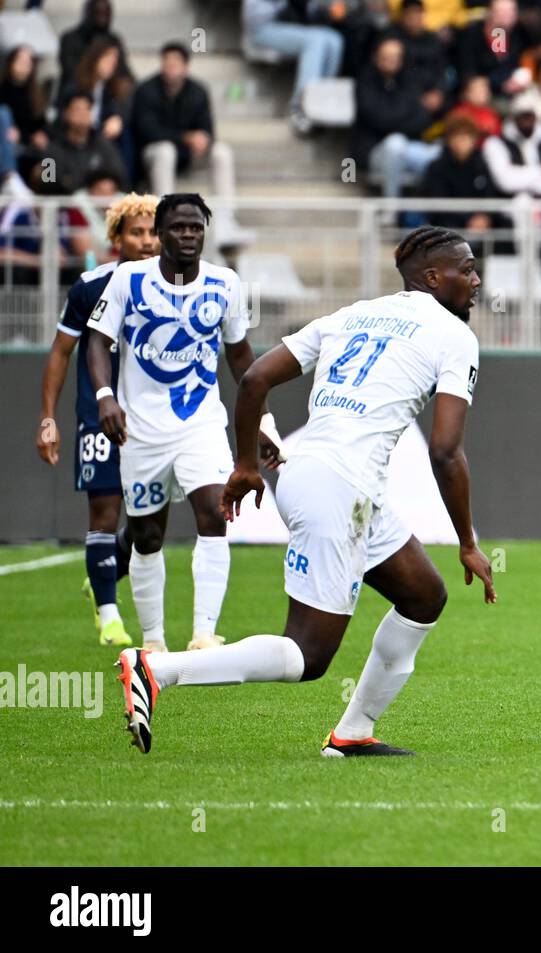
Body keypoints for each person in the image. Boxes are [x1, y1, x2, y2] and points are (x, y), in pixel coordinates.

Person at [116, 226, 496, 758]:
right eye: (468, 269)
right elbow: (445, 452)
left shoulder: (353, 314)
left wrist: (247, 464)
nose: (476, 281)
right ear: (433, 278)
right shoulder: (455, 335)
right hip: (340, 488)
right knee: (307, 655)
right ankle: (158, 669)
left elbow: (252, 381)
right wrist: (467, 540)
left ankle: (353, 733)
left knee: (423, 596)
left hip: (316, 476)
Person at [85, 193, 280, 655]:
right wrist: (105, 396)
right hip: (140, 432)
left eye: (195, 228)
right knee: (147, 534)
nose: (187, 236)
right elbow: (97, 342)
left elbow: (239, 356)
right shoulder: (128, 280)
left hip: (200, 424)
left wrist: (265, 421)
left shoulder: (225, 284)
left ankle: (204, 635)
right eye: (177, 228)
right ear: (160, 232)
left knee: (215, 514)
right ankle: (153, 642)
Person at [35, 192, 159, 647]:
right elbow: (60, 353)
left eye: (152, 232)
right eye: (136, 233)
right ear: (117, 238)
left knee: (150, 518)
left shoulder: (177, 288)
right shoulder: (90, 286)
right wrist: (48, 418)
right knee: (104, 510)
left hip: (157, 420)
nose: (147, 242)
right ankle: (109, 614)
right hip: (100, 415)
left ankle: (105, 572)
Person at [132, 44, 245, 244]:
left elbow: (208, 130)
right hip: (153, 155)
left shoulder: (198, 91)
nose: (170, 68)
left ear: (185, 67)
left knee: (221, 152)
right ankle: (166, 218)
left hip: (189, 155)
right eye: (167, 63)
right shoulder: (146, 90)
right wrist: (185, 137)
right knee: (165, 151)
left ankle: (225, 219)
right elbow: (147, 131)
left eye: (175, 64)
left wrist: (203, 139)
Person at [352, 37, 441, 201]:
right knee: (395, 143)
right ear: (376, 57)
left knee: (439, 155)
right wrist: (405, 116)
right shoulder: (365, 81)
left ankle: (428, 214)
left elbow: (422, 119)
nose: (390, 61)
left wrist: (396, 117)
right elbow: (376, 119)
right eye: (385, 56)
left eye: (395, 57)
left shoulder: (410, 80)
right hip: (374, 150)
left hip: (409, 148)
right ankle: (390, 210)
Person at [242, 0, 345, 133]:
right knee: (316, 41)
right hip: (262, 29)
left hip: (291, 25)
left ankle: (321, 103)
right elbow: (253, 19)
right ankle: (300, 108)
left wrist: (324, 11)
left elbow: (307, 10)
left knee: (334, 40)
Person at [481, 87, 541, 198]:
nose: (526, 120)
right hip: (510, 212)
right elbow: (505, 182)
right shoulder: (496, 143)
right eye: (522, 114)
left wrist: (523, 179)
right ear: (513, 116)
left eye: (529, 115)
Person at [41, 91, 127, 194]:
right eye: (78, 109)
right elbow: (46, 183)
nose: (83, 114)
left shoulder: (103, 145)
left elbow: (119, 174)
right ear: (66, 114)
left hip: (100, 203)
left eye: (87, 109)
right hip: (67, 204)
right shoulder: (53, 148)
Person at [58, 0, 132, 100]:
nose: (102, 20)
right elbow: (72, 72)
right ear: (87, 14)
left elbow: (124, 72)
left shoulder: (113, 40)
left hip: (108, 95)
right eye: (98, 14)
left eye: (106, 14)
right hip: (77, 95)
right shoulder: (70, 39)